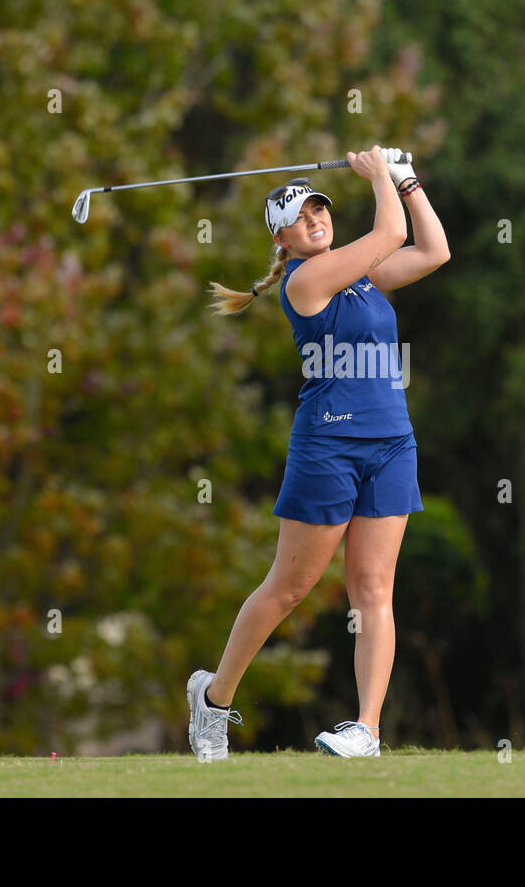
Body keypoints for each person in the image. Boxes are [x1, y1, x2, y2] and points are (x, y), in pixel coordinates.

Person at [194, 145, 449, 758]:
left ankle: (367, 730)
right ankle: (213, 702)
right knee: (289, 588)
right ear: (281, 239)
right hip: (328, 445)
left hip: (391, 444)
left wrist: (408, 179)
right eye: (301, 218)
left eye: (320, 210)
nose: (315, 221)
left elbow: (433, 250)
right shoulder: (307, 280)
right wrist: (381, 176)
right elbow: (390, 231)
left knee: (374, 590)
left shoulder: (361, 279)